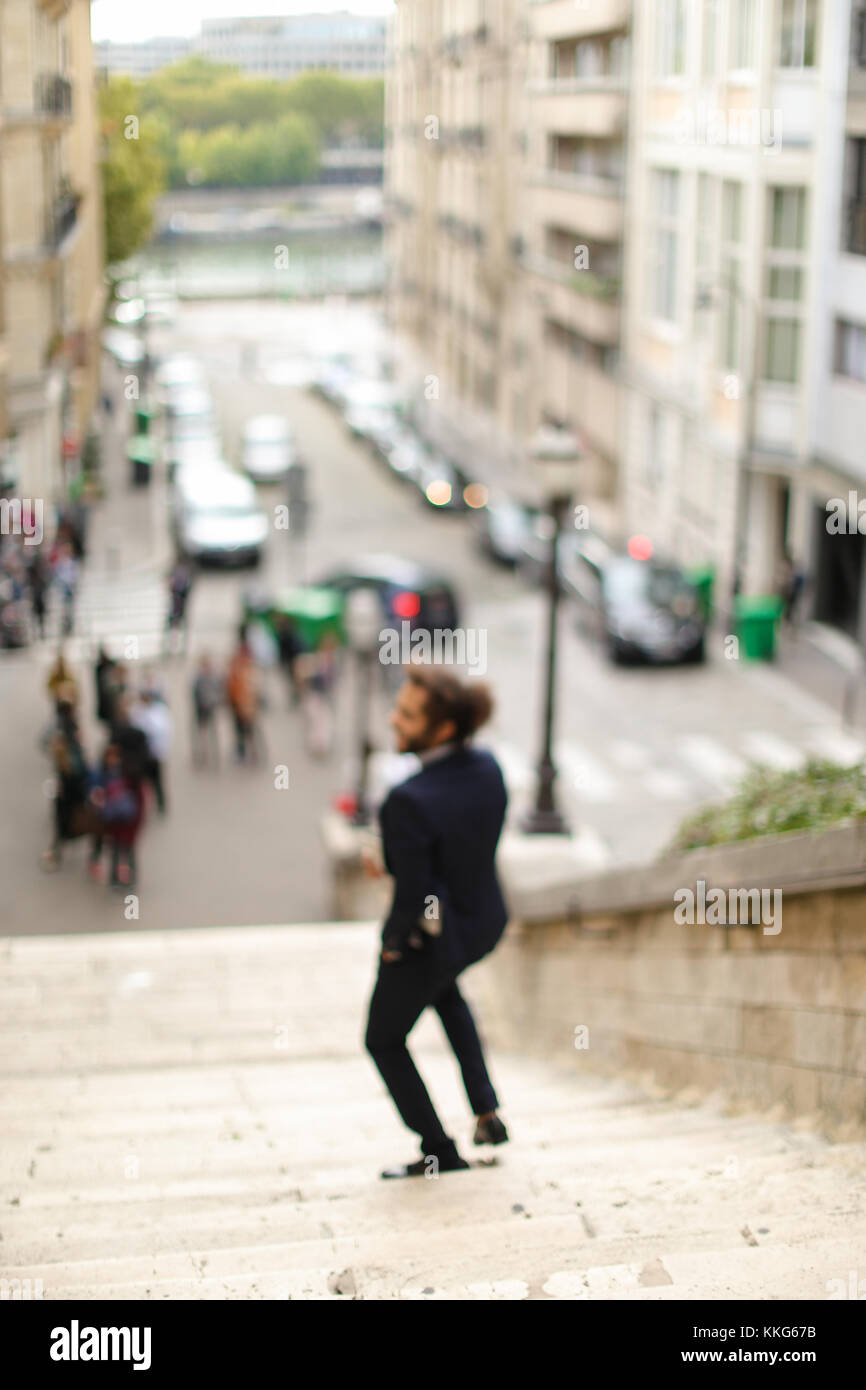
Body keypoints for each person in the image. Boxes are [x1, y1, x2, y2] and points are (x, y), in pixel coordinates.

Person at [363, 664, 509, 1181]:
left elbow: (415, 894)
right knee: (444, 990)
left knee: (382, 1038)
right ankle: (486, 1109)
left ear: (442, 729)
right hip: (483, 923)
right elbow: (460, 850)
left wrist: (393, 945)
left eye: (405, 714)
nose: (392, 719)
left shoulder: (408, 802)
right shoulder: (489, 768)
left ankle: (438, 1151)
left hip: (436, 933)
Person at [41, 690, 93, 871]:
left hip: (70, 781)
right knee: (70, 816)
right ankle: (85, 854)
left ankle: (60, 851)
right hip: (73, 780)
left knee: (65, 817)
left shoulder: (63, 726)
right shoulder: (64, 728)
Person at [88, 742, 145, 888]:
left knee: (128, 851)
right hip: (113, 822)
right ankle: (114, 879)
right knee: (115, 851)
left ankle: (129, 879)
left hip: (126, 823)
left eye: (115, 757)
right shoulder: (103, 775)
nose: (113, 760)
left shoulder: (128, 776)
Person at [130, 682, 172, 814]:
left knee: (157, 780)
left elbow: (163, 732)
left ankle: (161, 803)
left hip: (155, 753)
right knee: (146, 781)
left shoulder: (158, 711)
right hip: (143, 753)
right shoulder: (137, 711)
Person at [226, 634, 261, 764]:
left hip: (245, 706)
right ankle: (245, 752)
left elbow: (253, 689)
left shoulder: (247, 670)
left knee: (248, 731)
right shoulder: (237, 670)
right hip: (238, 706)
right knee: (241, 731)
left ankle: (252, 752)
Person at [191, 653, 223, 768]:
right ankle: (205, 753)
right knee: (205, 732)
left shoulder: (204, 677)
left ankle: (209, 753)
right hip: (204, 708)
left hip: (207, 707)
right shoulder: (201, 677)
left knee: (208, 732)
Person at [165, 559, 194, 654]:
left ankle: (177, 646)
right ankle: (175, 646)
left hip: (177, 607)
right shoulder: (184, 573)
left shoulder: (180, 573)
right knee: (176, 625)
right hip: (177, 607)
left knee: (175, 625)